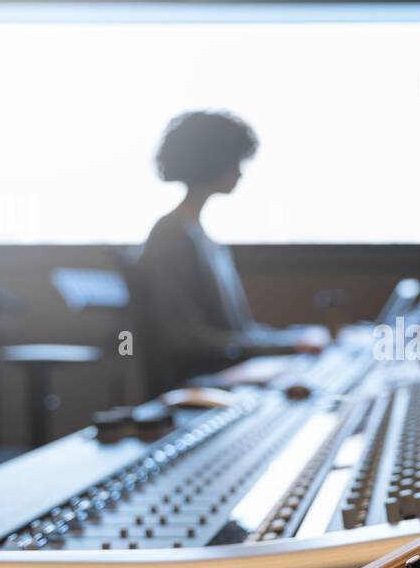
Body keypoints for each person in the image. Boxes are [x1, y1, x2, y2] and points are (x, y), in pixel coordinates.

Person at [136, 111, 326, 381]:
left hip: (227, 372)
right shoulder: (171, 236)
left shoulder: (199, 235)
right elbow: (183, 338)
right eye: (235, 161)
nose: (239, 171)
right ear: (212, 162)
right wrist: (288, 345)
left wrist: (293, 337)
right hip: (204, 381)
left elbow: (239, 332)